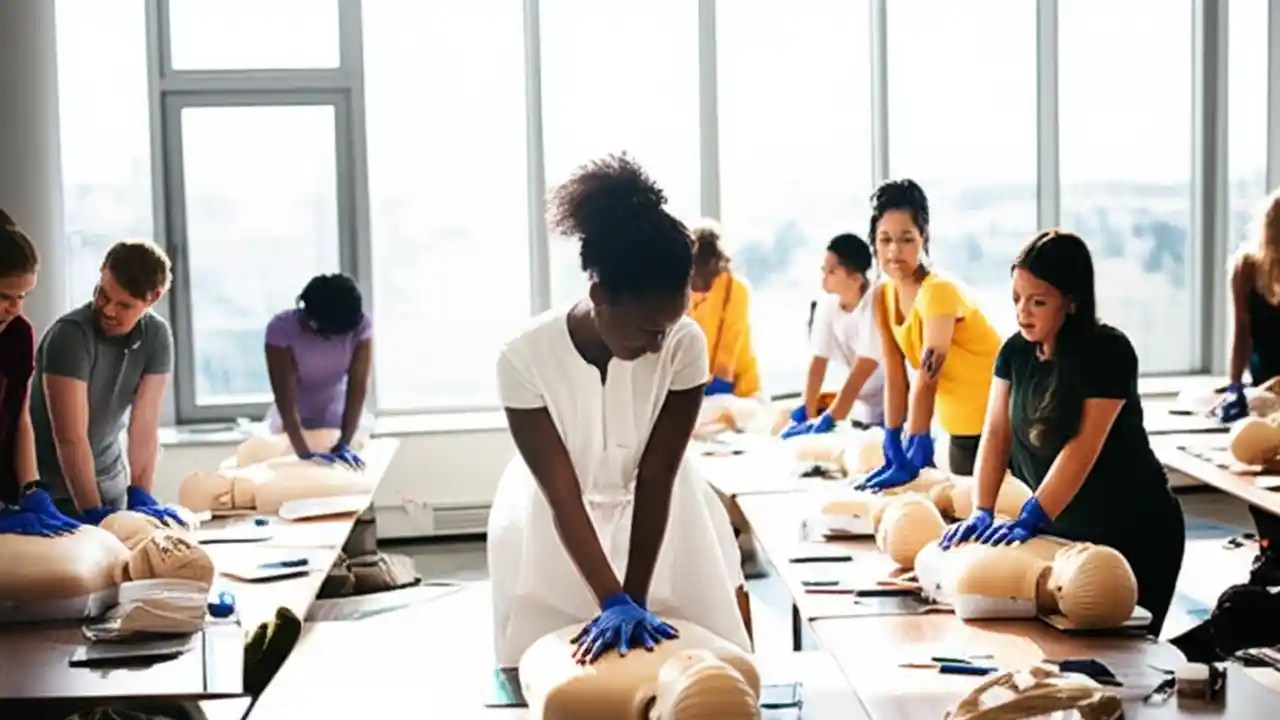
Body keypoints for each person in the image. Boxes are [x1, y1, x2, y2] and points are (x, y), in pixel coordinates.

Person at [488, 154, 750, 668]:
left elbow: (657, 476)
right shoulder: (523, 358)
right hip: (556, 528)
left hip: (666, 520)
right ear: (599, 295)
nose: (658, 345)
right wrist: (612, 600)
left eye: (669, 326)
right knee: (565, 677)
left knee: (696, 673)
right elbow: (561, 495)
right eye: (648, 330)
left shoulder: (682, 343)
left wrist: (635, 595)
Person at [939, 230, 1185, 637]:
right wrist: (982, 508)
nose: (1023, 312)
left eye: (1038, 301)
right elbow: (996, 433)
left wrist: (1033, 514)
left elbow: (1082, 448)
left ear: (1072, 302)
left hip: (1136, 531)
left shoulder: (1109, 352)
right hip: (1064, 532)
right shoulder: (1015, 353)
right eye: (1016, 298)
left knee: (1127, 659)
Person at [857, 179, 1001, 488]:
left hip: (1001, 424)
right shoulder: (884, 296)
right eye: (885, 240)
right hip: (961, 430)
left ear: (924, 238)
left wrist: (917, 436)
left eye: (907, 239)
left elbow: (927, 373)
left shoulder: (938, 291)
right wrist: (893, 439)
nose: (895, 251)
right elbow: (895, 376)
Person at [30, 239, 183, 527]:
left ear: (153, 298)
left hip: (111, 485)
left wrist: (140, 495)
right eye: (103, 294)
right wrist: (92, 513)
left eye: (124, 304)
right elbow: (70, 437)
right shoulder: (70, 336)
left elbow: (144, 428)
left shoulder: (157, 336)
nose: (109, 310)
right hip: (54, 494)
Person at [0, 210, 79, 538]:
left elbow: (19, 417)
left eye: (23, 297)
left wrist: (31, 487)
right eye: (4, 297)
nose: (15, 308)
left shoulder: (18, 334)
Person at [1220, 189, 1280, 583]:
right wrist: (1233, 385)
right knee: (1254, 462)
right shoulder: (1246, 267)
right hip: (1264, 384)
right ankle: (1270, 546)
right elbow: (1241, 334)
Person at [782, 232, 885, 438]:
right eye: (823, 269)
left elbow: (862, 370)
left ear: (856, 278)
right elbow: (818, 363)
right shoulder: (828, 304)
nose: (823, 277)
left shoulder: (876, 303)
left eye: (831, 272)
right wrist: (809, 413)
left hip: (893, 400)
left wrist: (831, 417)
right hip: (861, 403)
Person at [264, 273, 372, 469]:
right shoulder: (281, 330)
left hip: (341, 414)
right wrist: (302, 451)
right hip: (292, 421)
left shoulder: (360, 327)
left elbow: (358, 387)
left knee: (349, 477)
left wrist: (345, 442)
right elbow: (285, 399)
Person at [687, 219, 760, 399]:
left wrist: (718, 385)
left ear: (715, 263)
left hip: (739, 389)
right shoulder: (681, 289)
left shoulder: (736, 290)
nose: (697, 282)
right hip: (696, 387)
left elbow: (730, 343)